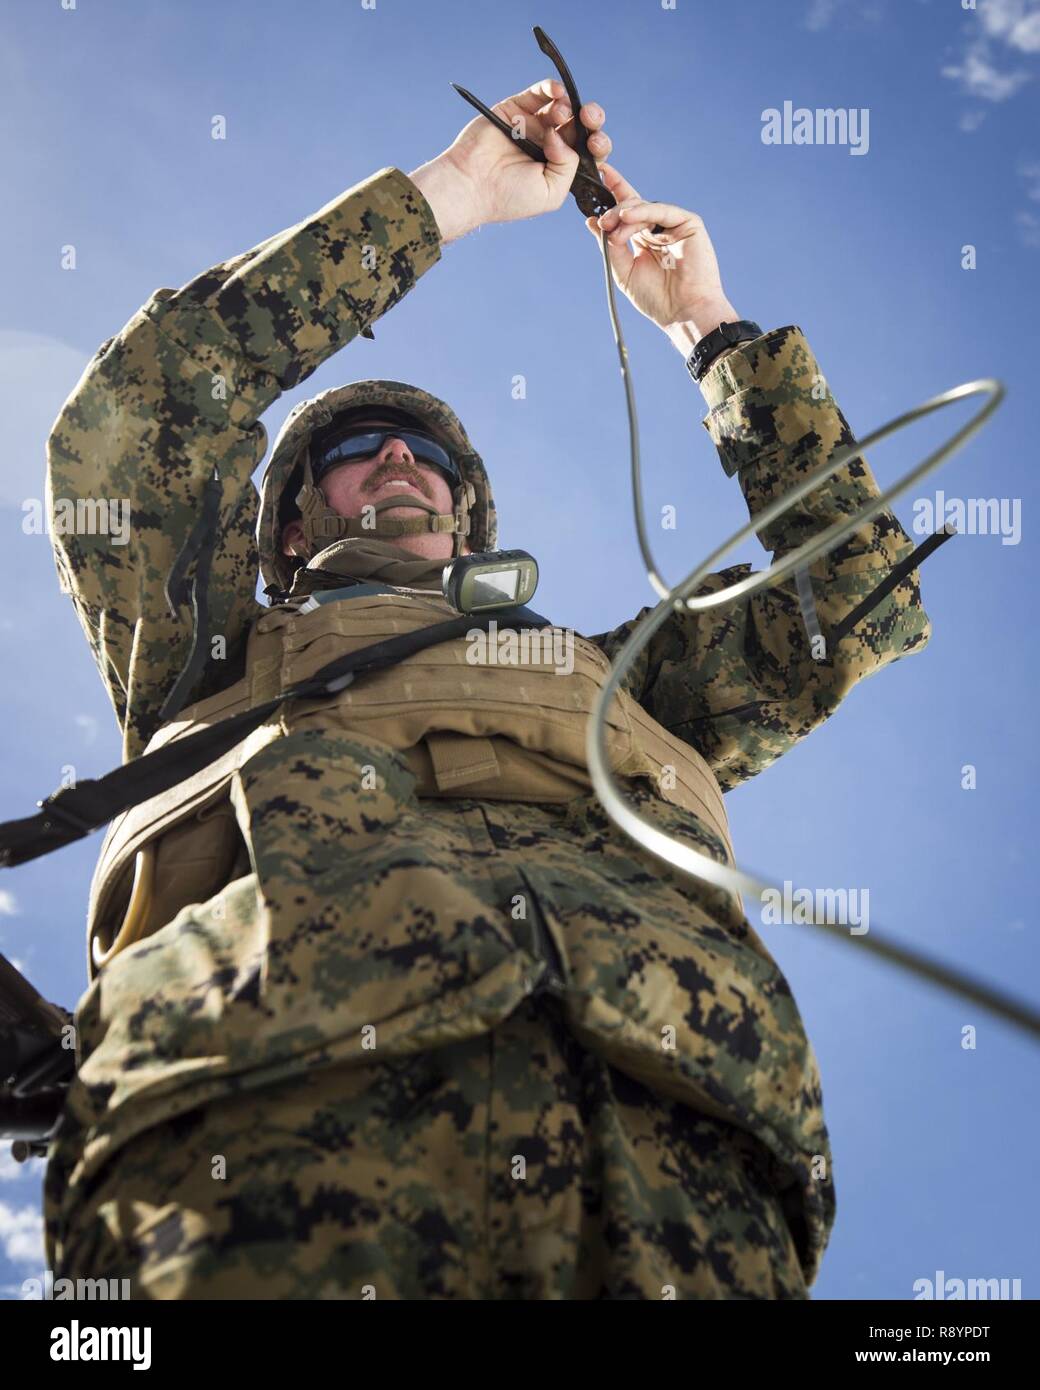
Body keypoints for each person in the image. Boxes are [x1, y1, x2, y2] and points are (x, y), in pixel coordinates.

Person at [42, 76, 930, 1300]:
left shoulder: (617, 677)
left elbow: (858, 601)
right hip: (263, 1156)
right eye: (355, 453)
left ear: (464, 515)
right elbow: (130, 421)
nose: (401, 459)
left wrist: (706, 328)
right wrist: (451, 197)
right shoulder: (204, 648)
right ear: (291, 530)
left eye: (433, 458)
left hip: (681, 1182)